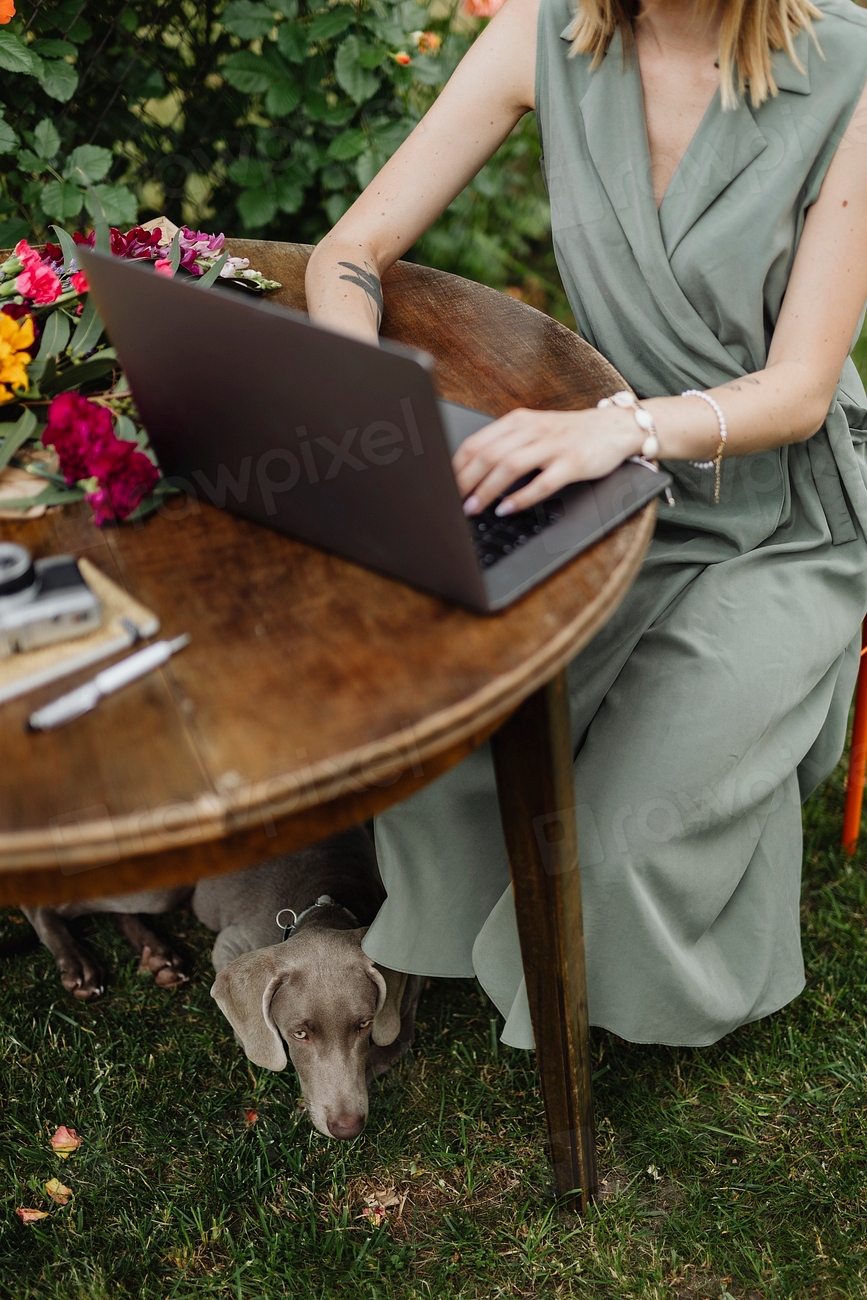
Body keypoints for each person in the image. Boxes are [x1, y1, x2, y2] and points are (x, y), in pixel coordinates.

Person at [305, 0, 867, 1049]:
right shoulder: (542, 37)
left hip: (775, 512)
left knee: (614, 843)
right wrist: (358, 385)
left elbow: (798, 391)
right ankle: (458, 907)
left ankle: (625, 962)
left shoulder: (853, 73)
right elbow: (352, 248)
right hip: (592, 482)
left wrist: (624, 432)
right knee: (445, 705)